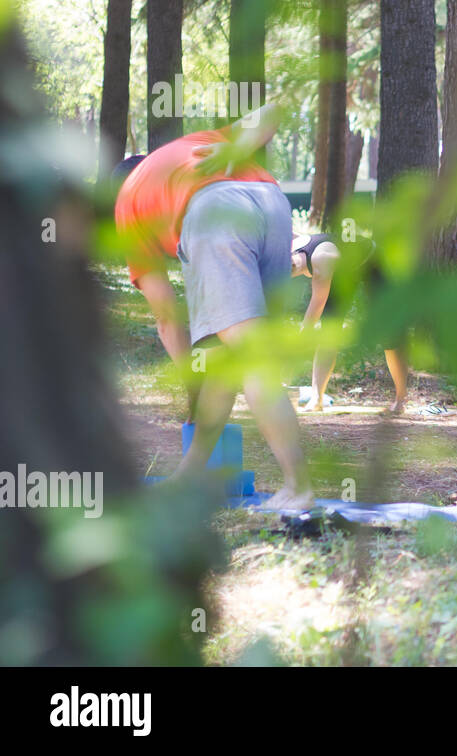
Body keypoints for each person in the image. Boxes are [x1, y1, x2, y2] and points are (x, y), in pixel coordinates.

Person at [113, 104, 313, 509]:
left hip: (214, 214)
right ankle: (189, 476)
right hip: (273, 204)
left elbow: (167, 317)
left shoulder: (127, 201)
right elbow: (273, 111)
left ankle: (299, 486)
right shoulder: (192, 145)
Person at [290, 233, 411, 414]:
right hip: (341, 270)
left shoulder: (321, 262)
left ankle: (400, 400)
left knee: (390, 333)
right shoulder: (291, 246)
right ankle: (316, 399)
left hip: (370, 262)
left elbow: (318, 303)